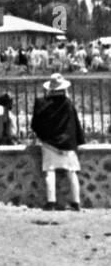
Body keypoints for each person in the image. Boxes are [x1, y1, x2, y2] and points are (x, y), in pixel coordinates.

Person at [31, 73, 85, 211]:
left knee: (50, 171)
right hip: (67, 144)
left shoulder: (41, 103)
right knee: (72, 172)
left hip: (49, 143)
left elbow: (35, 124)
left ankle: (51, 202)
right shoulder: (68, 104)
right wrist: (78, 140)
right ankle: (76, 202)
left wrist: (42, 136)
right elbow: (74, 124)